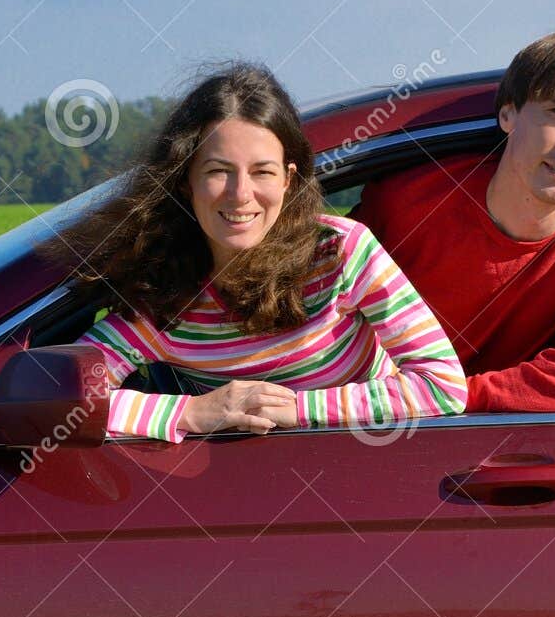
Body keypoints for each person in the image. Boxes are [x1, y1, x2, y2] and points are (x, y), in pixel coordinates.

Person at [39, 64, 466, 443]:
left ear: (287, 179)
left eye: (262, 171)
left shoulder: (340, 252)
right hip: (231, 500)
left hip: (365, 482)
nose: (241, 195)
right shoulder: (161, 293)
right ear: (187, 181)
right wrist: (195, 412)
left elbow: (442, 385)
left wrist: (297, 411)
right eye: (218, 171)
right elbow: (68, 400)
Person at [355, 25, 555, 412]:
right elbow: (308, 315)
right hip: (363, 424)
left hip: (465, 438)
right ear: (508, 114)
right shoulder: (406, 199)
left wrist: (436, 398)